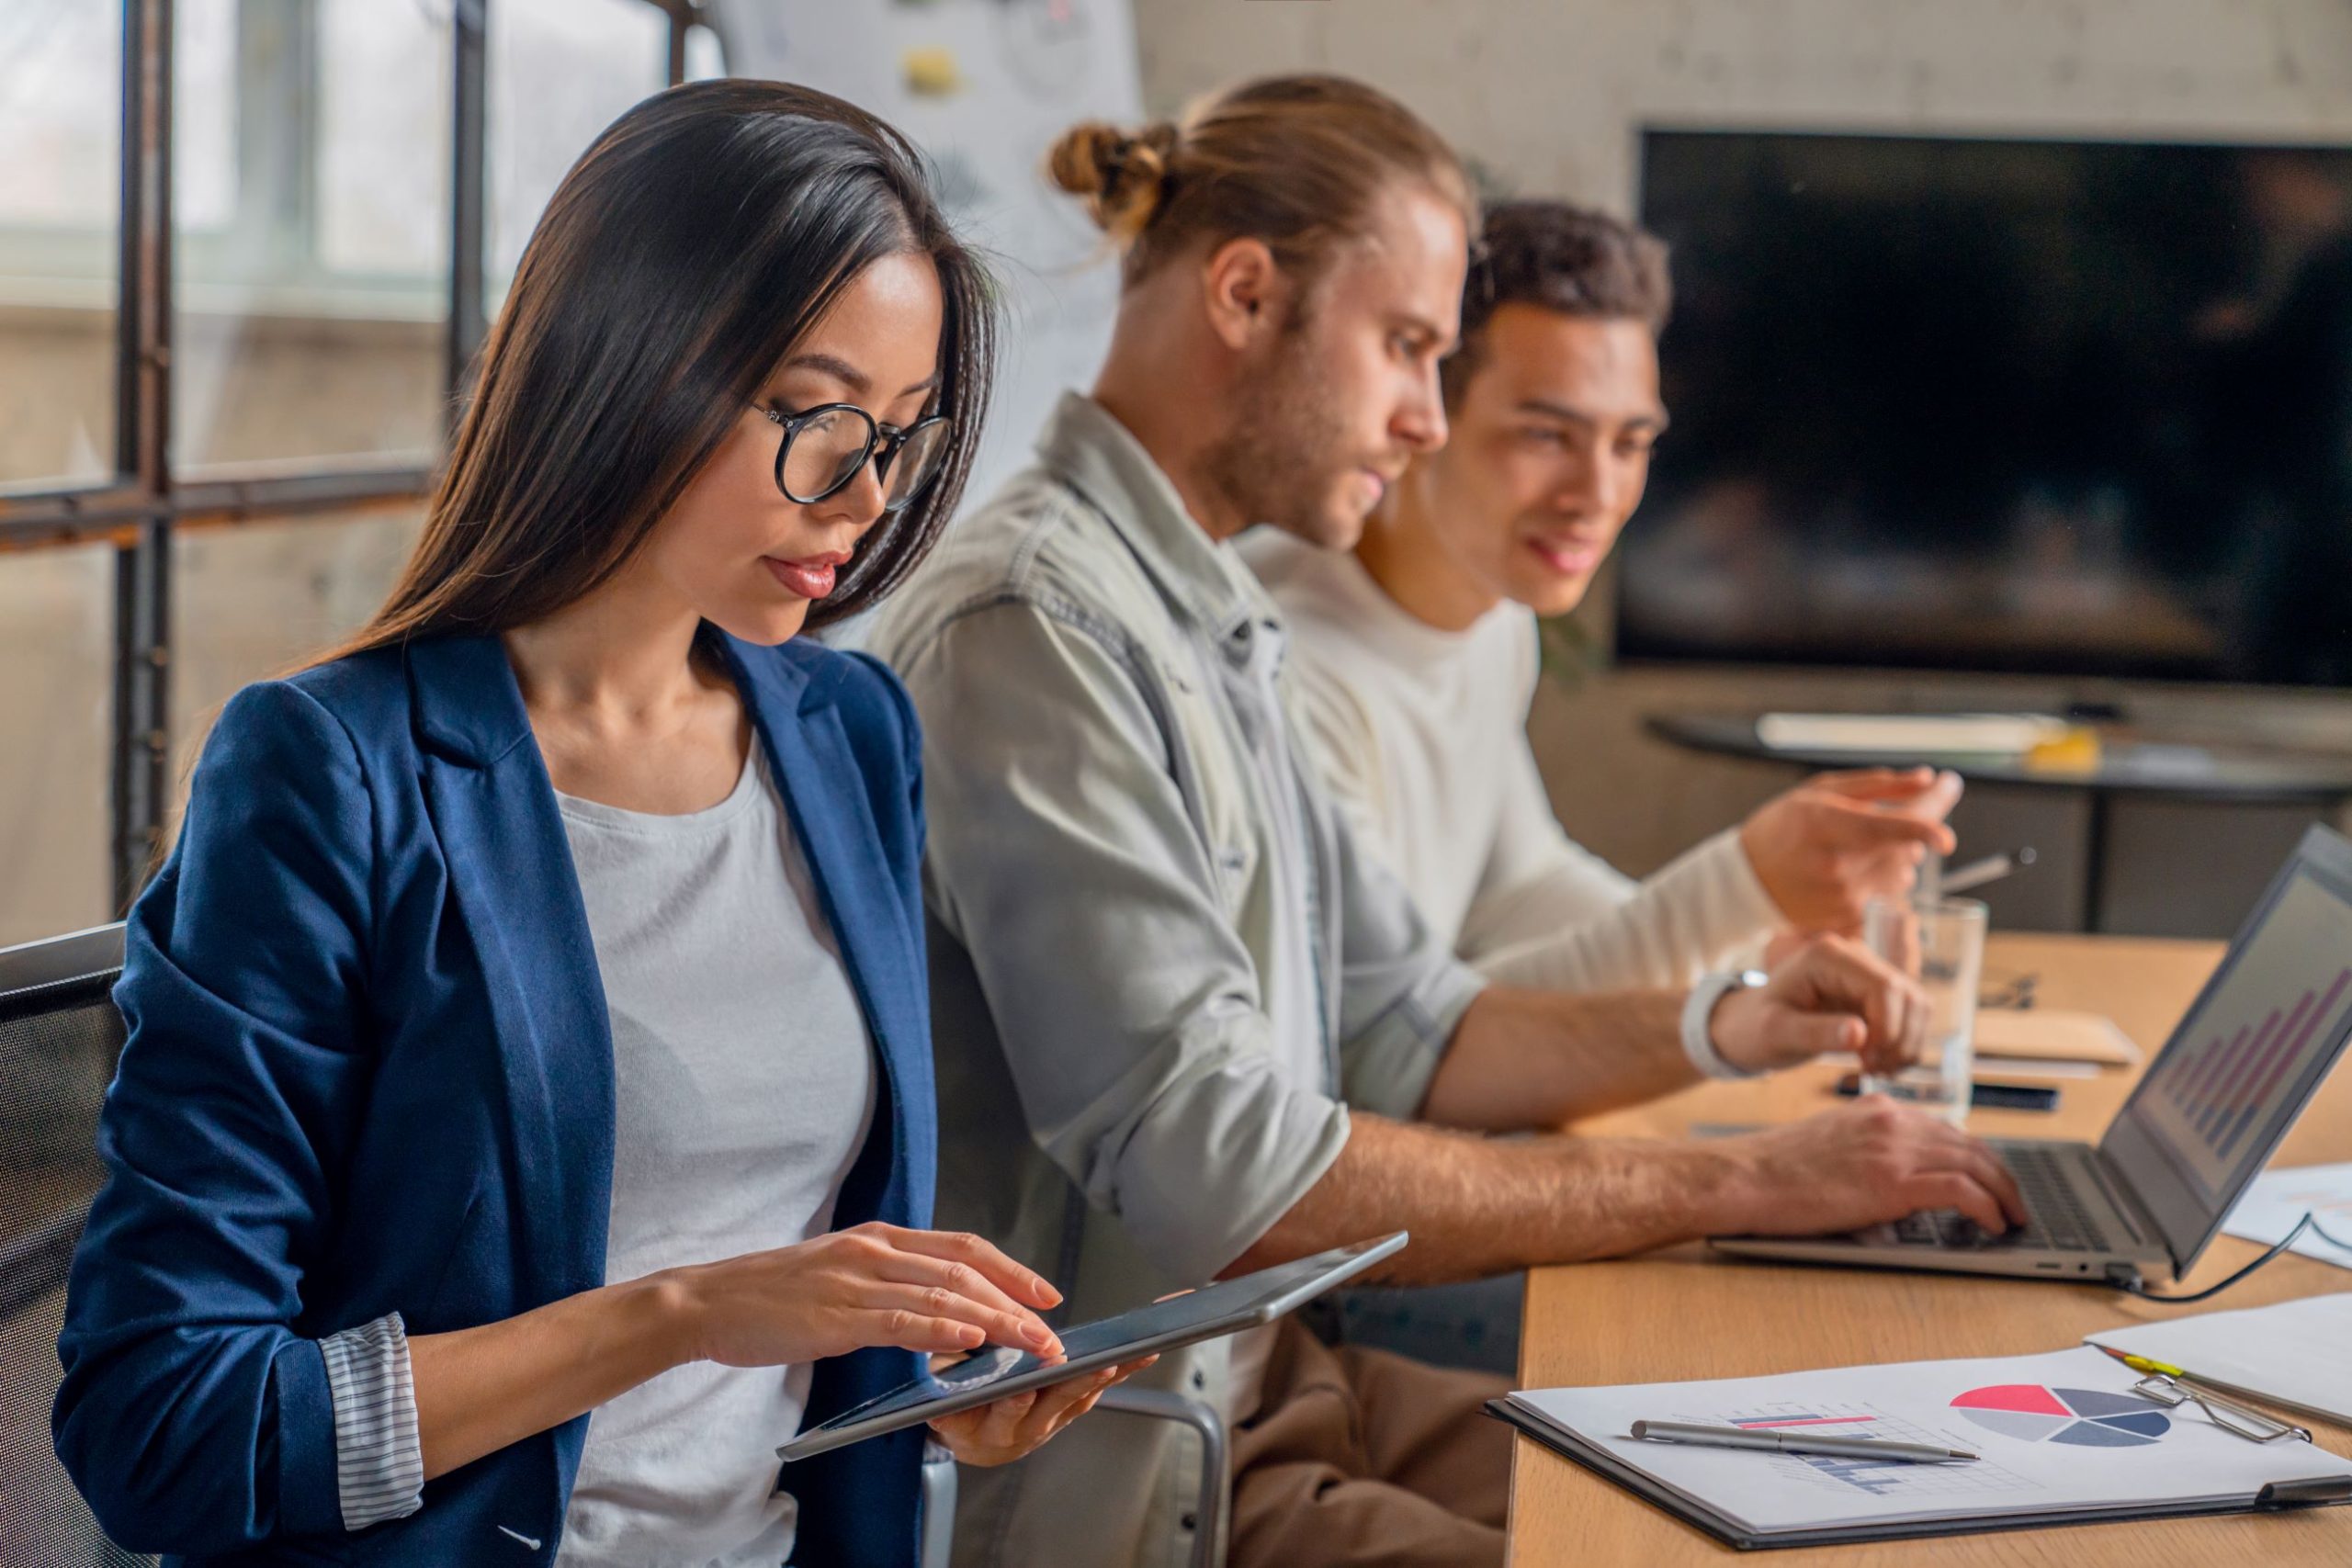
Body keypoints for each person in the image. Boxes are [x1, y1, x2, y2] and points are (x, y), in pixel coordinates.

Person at [865, 74, 2025, 1568]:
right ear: (1244, 294)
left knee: (1859, 1487)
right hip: (1142, 1476)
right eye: (1410, 347)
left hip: (1283, 1382)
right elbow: (1222, 1171)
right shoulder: (1034, 633)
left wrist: (1723, 1023)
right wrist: (1745, 1179)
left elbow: (1417, 1025)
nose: (1424, 416)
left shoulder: (1206, 616)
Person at [53, 81, 1142, 1568]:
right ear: (631, 362)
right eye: (814, 416)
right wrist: (676, 1314)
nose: (864, 496)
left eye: (898, 434)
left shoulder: (846, 734)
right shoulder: (332, 773)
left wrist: (928, 1390)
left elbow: (779, 1304)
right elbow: (163, 1426)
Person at [1240, 200, 1965, 996]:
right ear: (1417, 414)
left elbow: (1518, 889)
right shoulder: (1285, 667)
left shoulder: (1493, 615)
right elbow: (1395, 1038)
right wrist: (1740, 887)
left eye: (1629, 444)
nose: (1597, 494)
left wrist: (1758, 953)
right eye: (1546, 436)